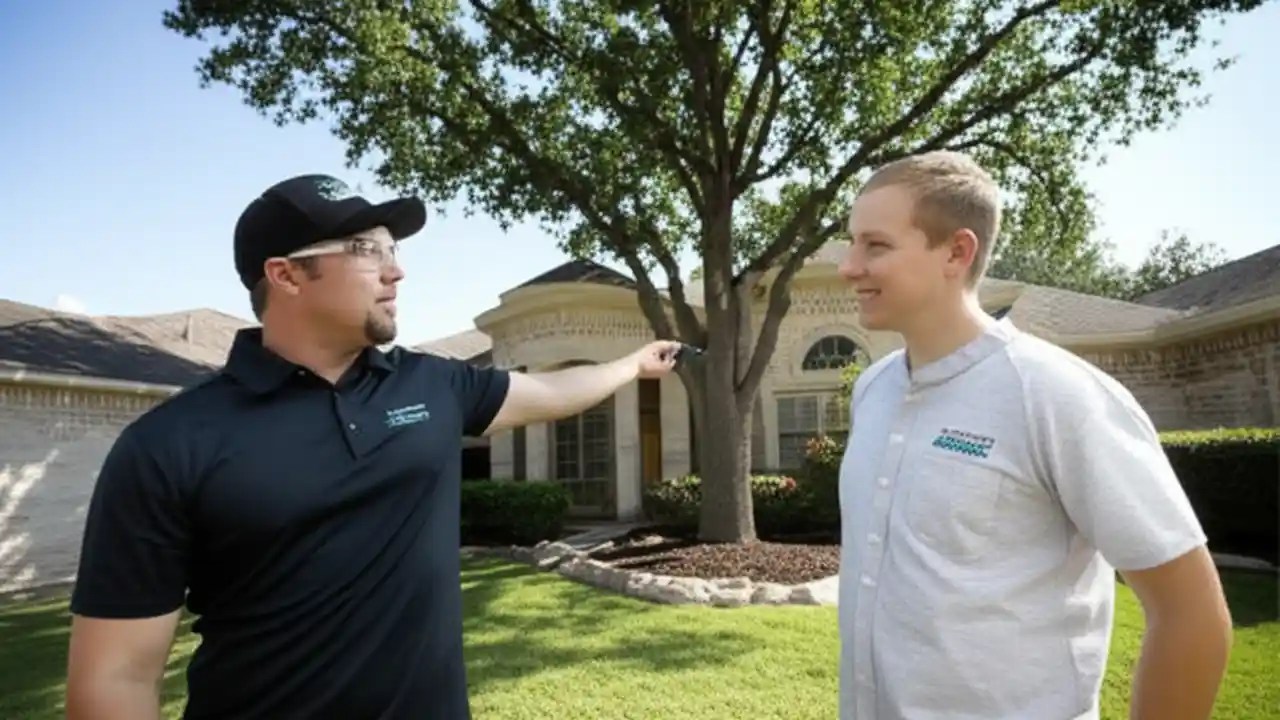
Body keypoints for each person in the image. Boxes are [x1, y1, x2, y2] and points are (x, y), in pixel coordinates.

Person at [64, 174, 683, 720]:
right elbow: (115, 678)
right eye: (365, 250)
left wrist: (631, 365)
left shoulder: (433, 384)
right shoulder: (170, 445)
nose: (396, 269)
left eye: (392, 248)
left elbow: (550, 388)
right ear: (284, 275)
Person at [836, 151, 1233, 720]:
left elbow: (1191, 613)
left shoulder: (1056, 394)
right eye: (853, 243)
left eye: (875, 246)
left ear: (957, 251)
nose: (850, 266)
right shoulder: (872, 390)